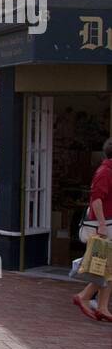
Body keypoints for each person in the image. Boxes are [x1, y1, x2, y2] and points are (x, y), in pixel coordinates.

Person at [73, 137, 112, 323]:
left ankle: (102, 306)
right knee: (106, 268)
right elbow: (96, 199)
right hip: (106, 226)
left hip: (109, 223)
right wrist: (103, 224)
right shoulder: (105, 172)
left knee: (108, 269)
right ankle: (85, 296)